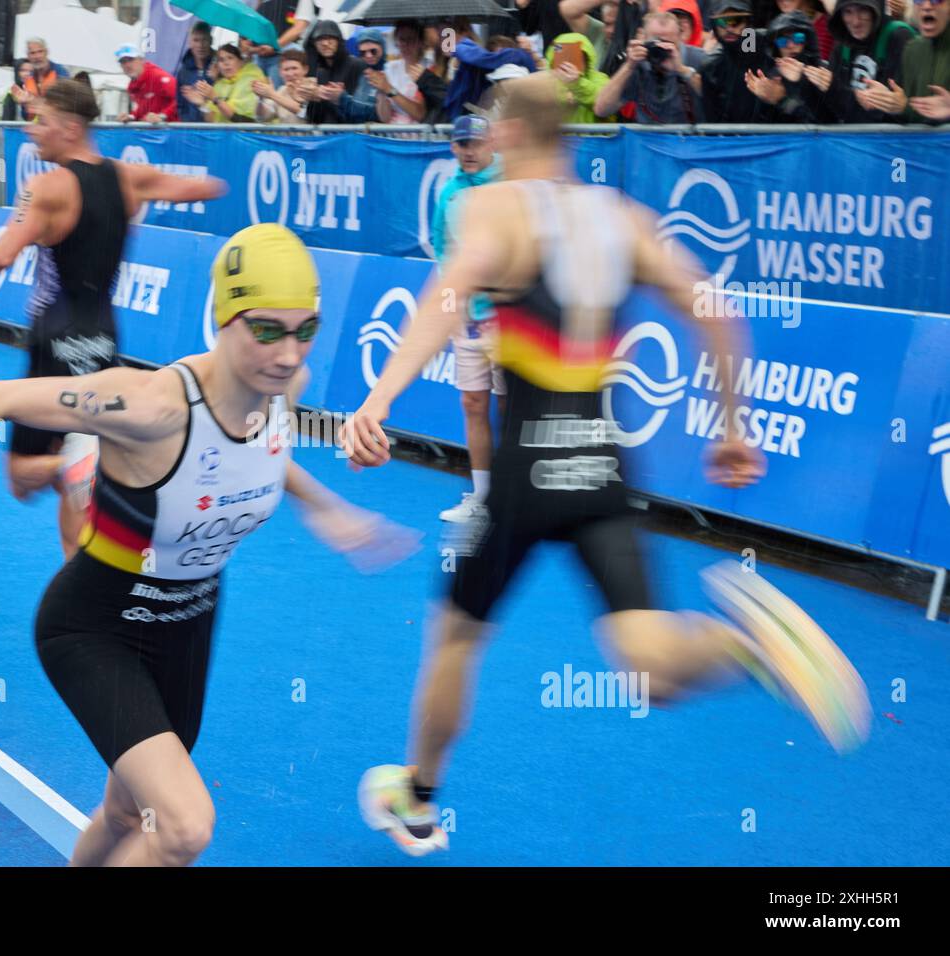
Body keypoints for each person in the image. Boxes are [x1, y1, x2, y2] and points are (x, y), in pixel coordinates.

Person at [340, 74, 870, 855]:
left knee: (456, 636)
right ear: (572, 137)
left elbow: (446, 297)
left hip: (524, 472)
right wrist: (732, 428)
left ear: (512, 135)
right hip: (602, 461)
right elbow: (716, 312)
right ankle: (742, 646)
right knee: (649, 663)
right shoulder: (624, 218)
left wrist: (378, 399)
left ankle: (417, 800)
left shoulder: (492, 208)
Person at [0, 223, 419, 867]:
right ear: (223, 319)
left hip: (187, 629)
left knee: (131, 812)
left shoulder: (279, 390)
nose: (290, 353)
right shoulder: (152, 406)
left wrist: (330, 510)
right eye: (266, 330)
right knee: (184, 827)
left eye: (306, 330)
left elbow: (252, 455)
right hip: (95, 624)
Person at [0, 80, 226, 559]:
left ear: (71, 128)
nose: (32, 132)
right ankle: (78, 559)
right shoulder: (127, 178)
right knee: (77, 467)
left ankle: (87, 467)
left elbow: (0, 257)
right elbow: (206, 187)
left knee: (23, 476)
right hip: (104, 340)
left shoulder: (46, 189)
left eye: (41, 121)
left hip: (55, 341)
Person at [433, 116, 505, 524]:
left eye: (475, 143)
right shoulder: (450, 193)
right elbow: (444, 252)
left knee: (511, 408)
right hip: (469, 320)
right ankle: (483, 495)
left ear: (490, 142)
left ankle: (515, 496)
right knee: (473, 402)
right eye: (462, 144)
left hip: (511, 319)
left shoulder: (511, 187)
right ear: (453, 147)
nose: (469, 151)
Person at [811, 0, 915, 123]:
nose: (855, 22)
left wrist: (834, 89)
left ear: (877, 9)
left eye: (863, 10)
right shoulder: (843, 41)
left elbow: (883, 117)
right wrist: (802, 85)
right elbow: (827, 116)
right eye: (848, 12)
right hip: (850, 138)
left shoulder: (899, 37)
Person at [594, 10, 706, 122]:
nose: (662, 48)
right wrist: (628, 66)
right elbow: (601, 109)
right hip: (649, 137)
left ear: (680, 37)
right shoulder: (639, 63)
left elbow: (718, 102)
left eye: (669, 43)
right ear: (643, 38)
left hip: (690, 137)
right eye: (656, 42)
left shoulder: (698, 58)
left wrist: (682, 70)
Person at [854, 0, 950, 123]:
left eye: (936, 0)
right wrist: (890, 101)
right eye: (919, 0)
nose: (926, 6)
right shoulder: (912, 48)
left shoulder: (903, 38)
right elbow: (911, 117)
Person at [302, 20, 364, 124]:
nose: (325, 43)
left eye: (330, 38)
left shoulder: (356, 65)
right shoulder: (320, 72)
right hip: (328, 135)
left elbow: (361, 111)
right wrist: (313, 99)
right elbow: (314, 119)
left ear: (338, 41)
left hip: (353, 133)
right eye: (320, 39)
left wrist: (339, 98)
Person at [189, 44, 265, 122]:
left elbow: (241, 120)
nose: (226, 63)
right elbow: (211, 121)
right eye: (221, 60)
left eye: (230, 58)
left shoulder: (251, 79)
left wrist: (215, 99)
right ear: (218, 66)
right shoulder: (218, 85)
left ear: (241, 61)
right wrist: (202, 104)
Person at [116, 44, 179, 122]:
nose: (127, 65)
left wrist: (162, 116)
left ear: (142, 60)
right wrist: (131, 116)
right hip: (156, 131)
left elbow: (182, 100)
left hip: (173, 130)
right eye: (123, 62)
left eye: (130, 59)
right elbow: (144, 107)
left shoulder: (158, 77)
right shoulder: (132, 86)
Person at [176, 22, 217, 122]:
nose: (200, 45)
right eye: (196, 40)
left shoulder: (219, 66)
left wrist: (216, 78)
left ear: (211, 41)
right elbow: (180, 105)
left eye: (204, 40)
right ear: (190, 42)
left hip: (215, 129)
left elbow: (224, 99)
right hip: (190, 130)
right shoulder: (183, 71)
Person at [255, 49, 310, 123]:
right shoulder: (281, 90)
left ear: (305, 69)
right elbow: (262, 118)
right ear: (280, 72)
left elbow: (303, 112)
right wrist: (261, 99)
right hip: (284, 135)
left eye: (294, 68)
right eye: (286, 69)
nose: (290, 74)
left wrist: (272, 94)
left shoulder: (312, 87)